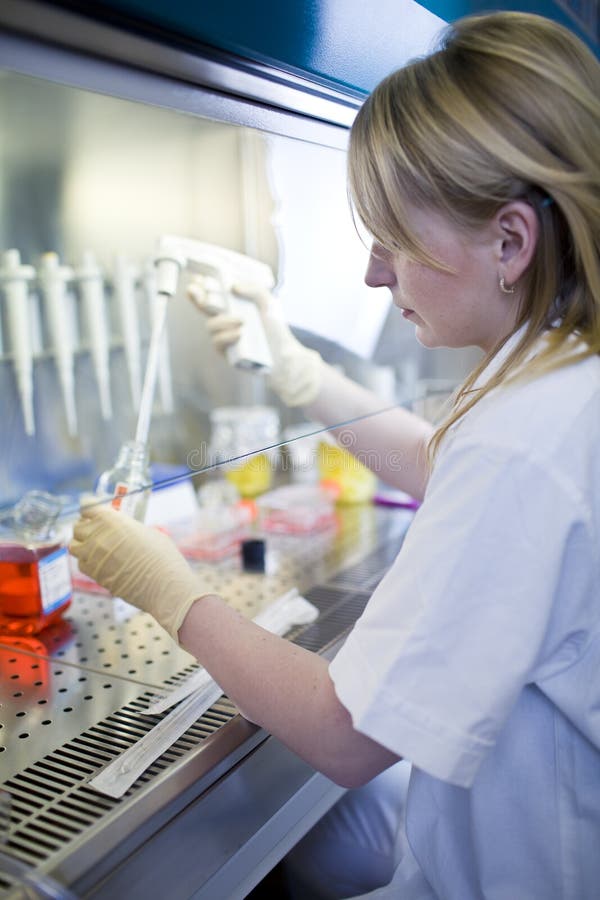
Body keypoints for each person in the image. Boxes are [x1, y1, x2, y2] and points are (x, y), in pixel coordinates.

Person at [70, 11, 600, 899]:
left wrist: (166, 588)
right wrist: (297, 369)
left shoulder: (527, 440)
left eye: (393, 236)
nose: (373, 274)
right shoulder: (563, 378)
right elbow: (447, 464)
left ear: (510, 242)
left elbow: (346, 736)